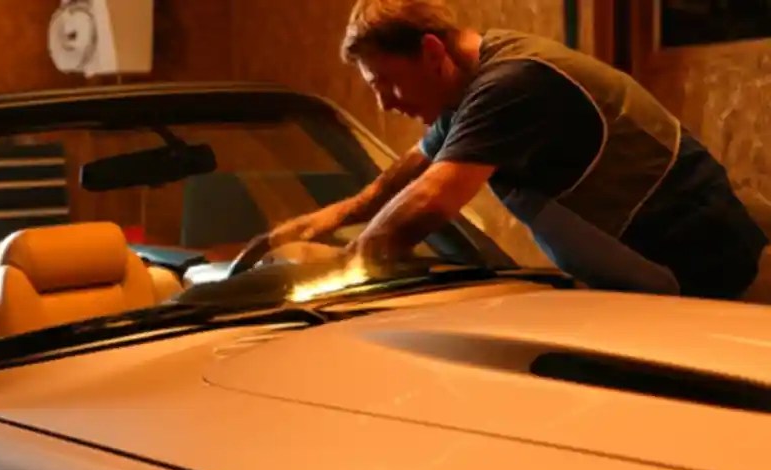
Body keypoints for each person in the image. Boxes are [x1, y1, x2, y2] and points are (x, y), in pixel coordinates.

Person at [274, 0, 768, 300]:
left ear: (431, 53)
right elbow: (408, 174)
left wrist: (342, 266)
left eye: (386, 82)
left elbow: (430, 202)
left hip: (716, 273)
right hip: (662, 281)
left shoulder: (513, 83)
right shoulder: (469, 88)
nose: (385, 102)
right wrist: (320, 223)